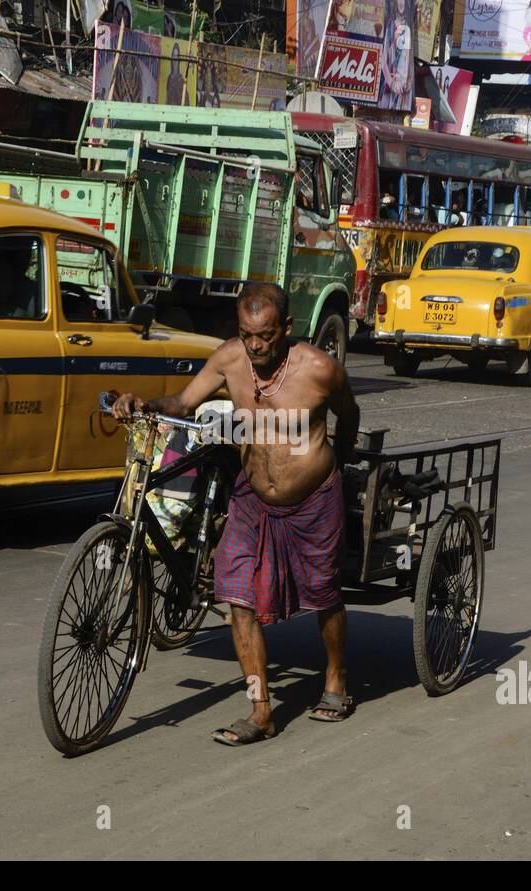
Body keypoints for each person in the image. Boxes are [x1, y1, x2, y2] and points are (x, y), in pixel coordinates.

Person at [112, 283, 361, 746]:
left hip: (313, 499)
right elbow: (184, 403)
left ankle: (336, 675)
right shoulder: (229, 359)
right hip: (252, 498)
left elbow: (350, 417)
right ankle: (260, 707)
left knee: (324, 593)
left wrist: (336, 463)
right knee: (238, 596)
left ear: (286, 328)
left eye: (265, 335)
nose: (256, 345)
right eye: (248, 334)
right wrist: (144, 404)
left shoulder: (321, 370)